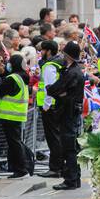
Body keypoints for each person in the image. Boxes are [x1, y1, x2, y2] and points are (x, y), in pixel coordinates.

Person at [47, 40, 84, 190]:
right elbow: (59, 90)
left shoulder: (72, 73)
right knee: (71, 146)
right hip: (69, 111)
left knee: (69, 147)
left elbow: (56, 88)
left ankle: (71, 179)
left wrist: (55, 90)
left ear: (67, 55)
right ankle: (74, 178)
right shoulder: (70, 70)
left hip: (68, 113)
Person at [0, 54, 34, 178]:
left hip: (10, 115)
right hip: (16, 114)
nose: (7, 64)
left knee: (14, 142)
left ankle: (22, 169)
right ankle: (17, 168)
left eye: (9, 62)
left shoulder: (13, 78)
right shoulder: (21, 77)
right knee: (15, 142)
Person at [36, 40, 64, 178]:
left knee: (53, 138)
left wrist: (46, 105)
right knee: (56, 137)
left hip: (50, 106)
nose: (41, 53)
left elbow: (49, 88)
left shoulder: (49, 66)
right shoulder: (59, 62)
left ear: (48, 51)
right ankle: (58, 167)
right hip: (55, 105)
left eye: (42, 50)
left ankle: (55, 168)